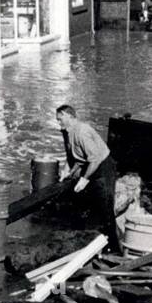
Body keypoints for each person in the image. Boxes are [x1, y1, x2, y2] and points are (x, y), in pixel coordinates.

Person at [56, 105, 120, 250]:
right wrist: (68, 170)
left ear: (70, 116)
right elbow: (77, 157)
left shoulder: (82, 131)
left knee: (105, 209)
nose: (58, 122)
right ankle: (85, 241)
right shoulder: (67, 132)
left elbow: (95, 159)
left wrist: (84, 179)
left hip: (103, 167)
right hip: (90, 165)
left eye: (60, 119)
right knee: (82, 205)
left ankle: (114, 249)